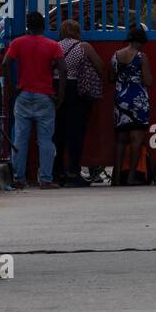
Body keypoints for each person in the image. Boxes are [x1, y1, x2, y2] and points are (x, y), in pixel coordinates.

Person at [2, 11, 67, 189]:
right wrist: (60, 95)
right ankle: (45, 178)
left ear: (27, 26)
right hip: (45, 96)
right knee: (45, 140)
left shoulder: (18, 43)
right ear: (43, 26)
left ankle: (19, 178)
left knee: (21, 138)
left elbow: (5, 64)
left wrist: (12, 87)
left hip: (23, 95)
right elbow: (63, 69)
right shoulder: (52, 45)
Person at [52, 19, 104, 187]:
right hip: (76, 90)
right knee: (76, 132)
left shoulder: (54, 46)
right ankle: (74, 171)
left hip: (55, 88)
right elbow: (100, 67)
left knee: (57, 133)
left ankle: (57, 172)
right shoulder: (84, 47)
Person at [111, 24, 153, 184]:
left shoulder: (115, 56)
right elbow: (148, 80)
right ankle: (131, 177)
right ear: (140, 41)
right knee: (136, 140)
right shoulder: (141, 57)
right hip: (137, 101)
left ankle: (115, 178)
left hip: (120, 99)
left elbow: (111, 78)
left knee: (120, 140)